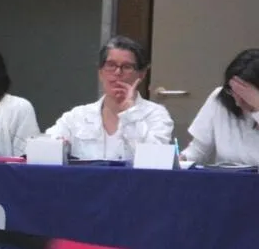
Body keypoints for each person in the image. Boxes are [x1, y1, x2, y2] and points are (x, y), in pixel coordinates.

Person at [44, 35, 173, 160]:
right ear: (100, 72)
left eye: (127, 67)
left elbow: (153, 160)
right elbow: (47, 144)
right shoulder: (76, 116)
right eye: (111, 65)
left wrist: (130, 112)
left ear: (141, 74)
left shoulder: (157, 115)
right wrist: (59, 145)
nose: (118, 72)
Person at [180, 48, 259, 166]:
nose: (237, 102)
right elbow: (199, 150)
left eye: (244, 95)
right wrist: (182, 160)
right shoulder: (220, 97)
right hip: (227, 179)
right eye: (233, 92)